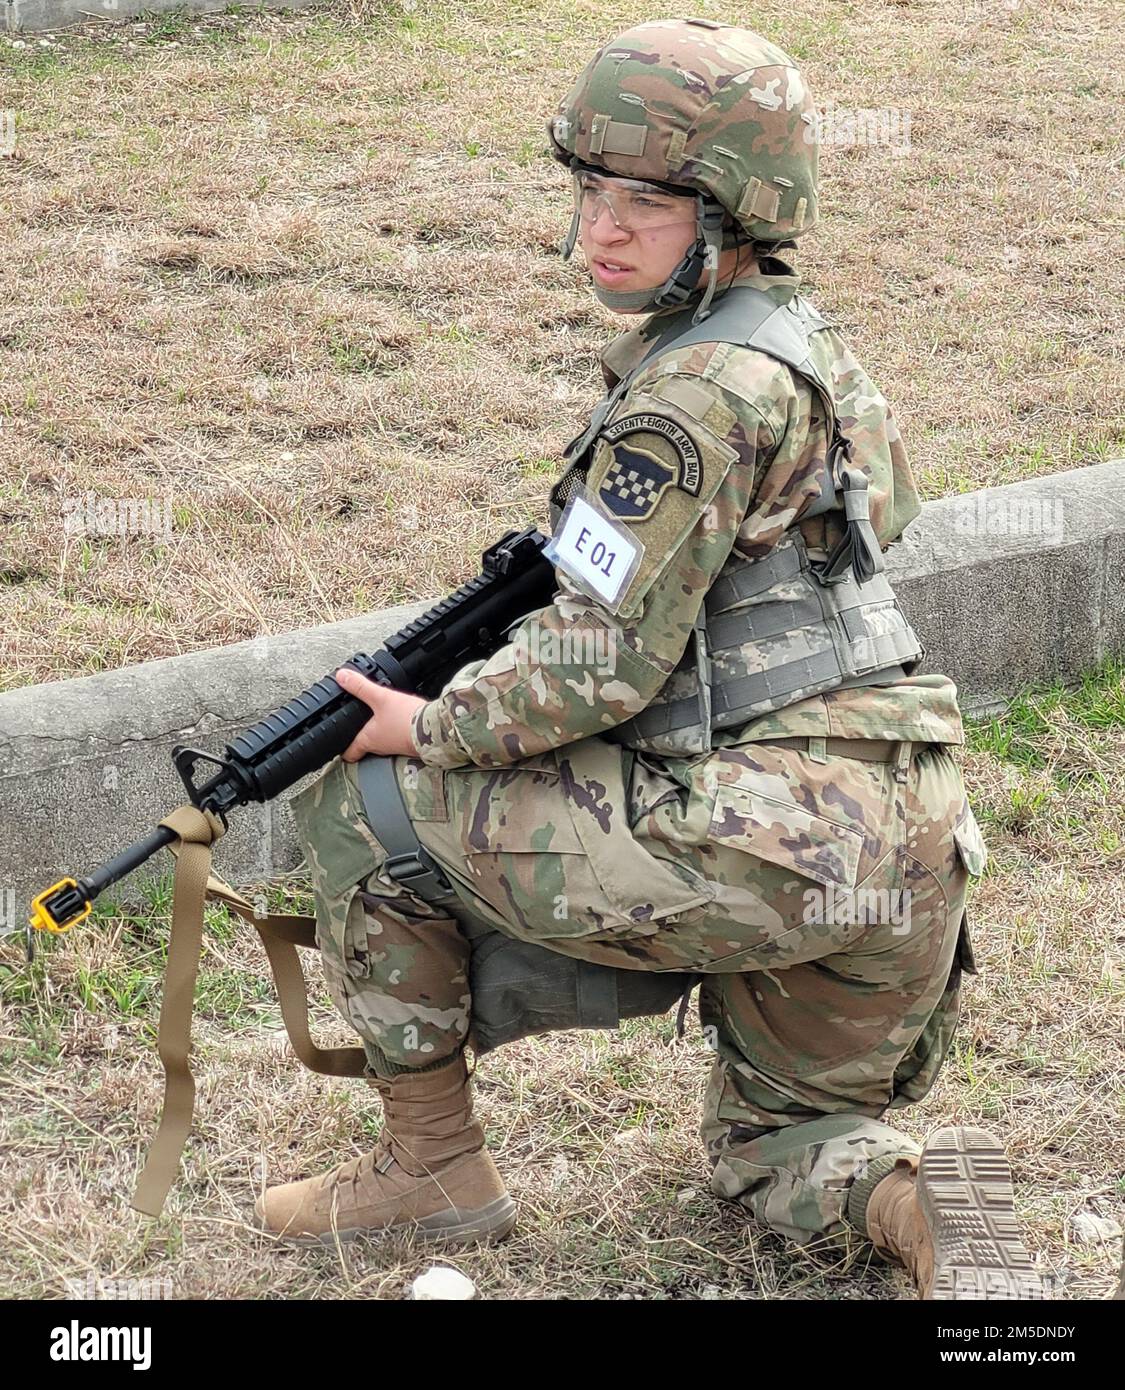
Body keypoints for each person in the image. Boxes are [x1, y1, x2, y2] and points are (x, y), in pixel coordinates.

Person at [256, 19, 1043, 1300]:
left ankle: (432, 1170)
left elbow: (594, 672)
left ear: (735, 209)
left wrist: (425, 723)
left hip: (762, 838)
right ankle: (931, 1207)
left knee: (367, 794)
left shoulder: (689, 396)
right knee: (777, 1149)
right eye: (590, 190)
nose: (604, 228)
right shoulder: (805, 345)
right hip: (906, 833)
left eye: (650, 200)